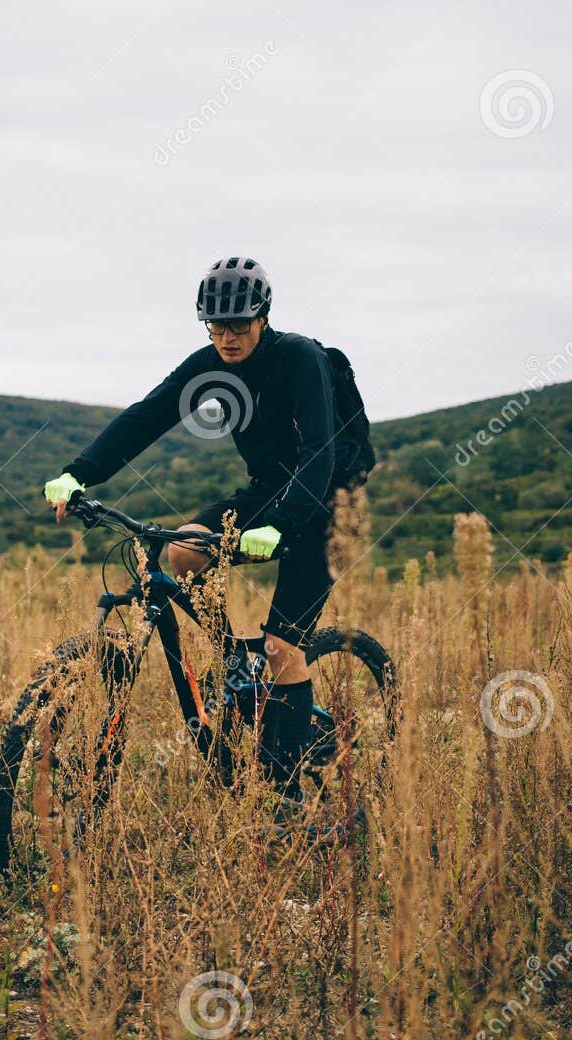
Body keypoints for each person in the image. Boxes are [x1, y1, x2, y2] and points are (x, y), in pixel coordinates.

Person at [43, 257, 370, 803]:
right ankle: (231, 662)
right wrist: (80, 472)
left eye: (237, 325)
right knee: (185, 554)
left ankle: (285, 797)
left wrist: (282, 525)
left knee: (282, 646)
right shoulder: (211, 364)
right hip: (267, 490)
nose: (226, 337)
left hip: (328, 496)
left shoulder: (301, 358)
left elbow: (320, 450)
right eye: (215, 327)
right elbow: (146, 417)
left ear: (262, 317)